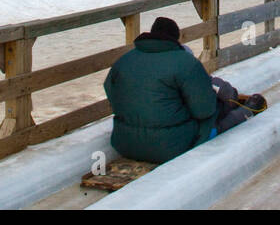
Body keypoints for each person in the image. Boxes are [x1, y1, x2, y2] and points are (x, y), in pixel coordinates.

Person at [103, 17, 263, 164]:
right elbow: (204, 110)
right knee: (215, 114)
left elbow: (110, 92)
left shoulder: (124, 60)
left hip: (125, 143)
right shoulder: (185, 62)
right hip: (170, 147)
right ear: (175, 39)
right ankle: (244, 113)